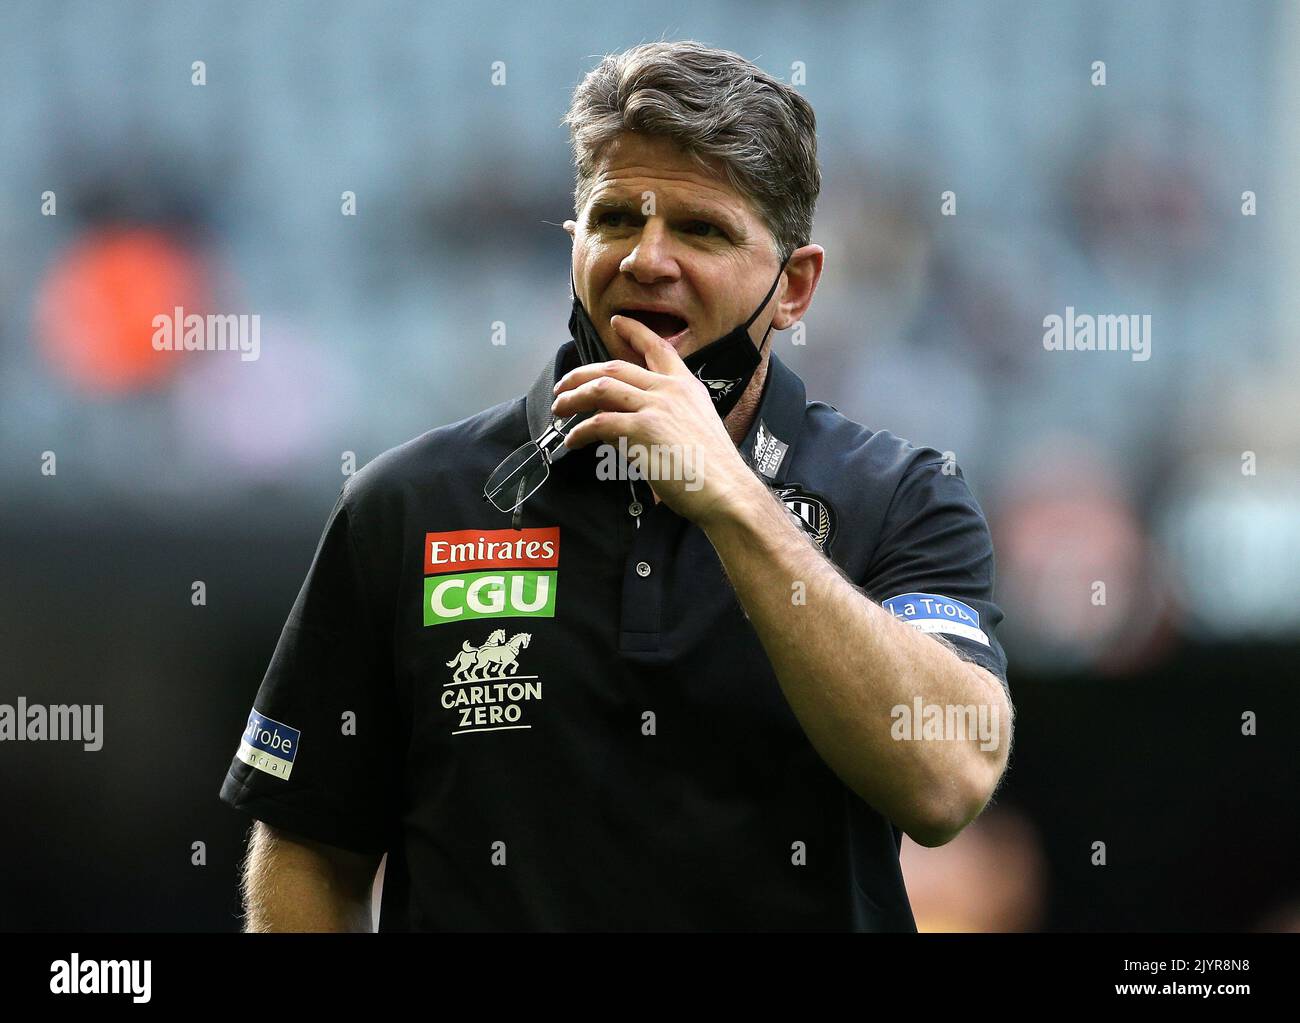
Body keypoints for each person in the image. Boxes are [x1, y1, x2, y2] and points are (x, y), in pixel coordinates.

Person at [219, 39, 1014, 932]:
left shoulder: (902, 498)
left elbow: (948, 782)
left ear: (794, 287)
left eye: (702, 229)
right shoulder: (406, 505)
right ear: (575, 244)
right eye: (616, 219)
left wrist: (733, 501)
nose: (647, 259)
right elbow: (308, 850)